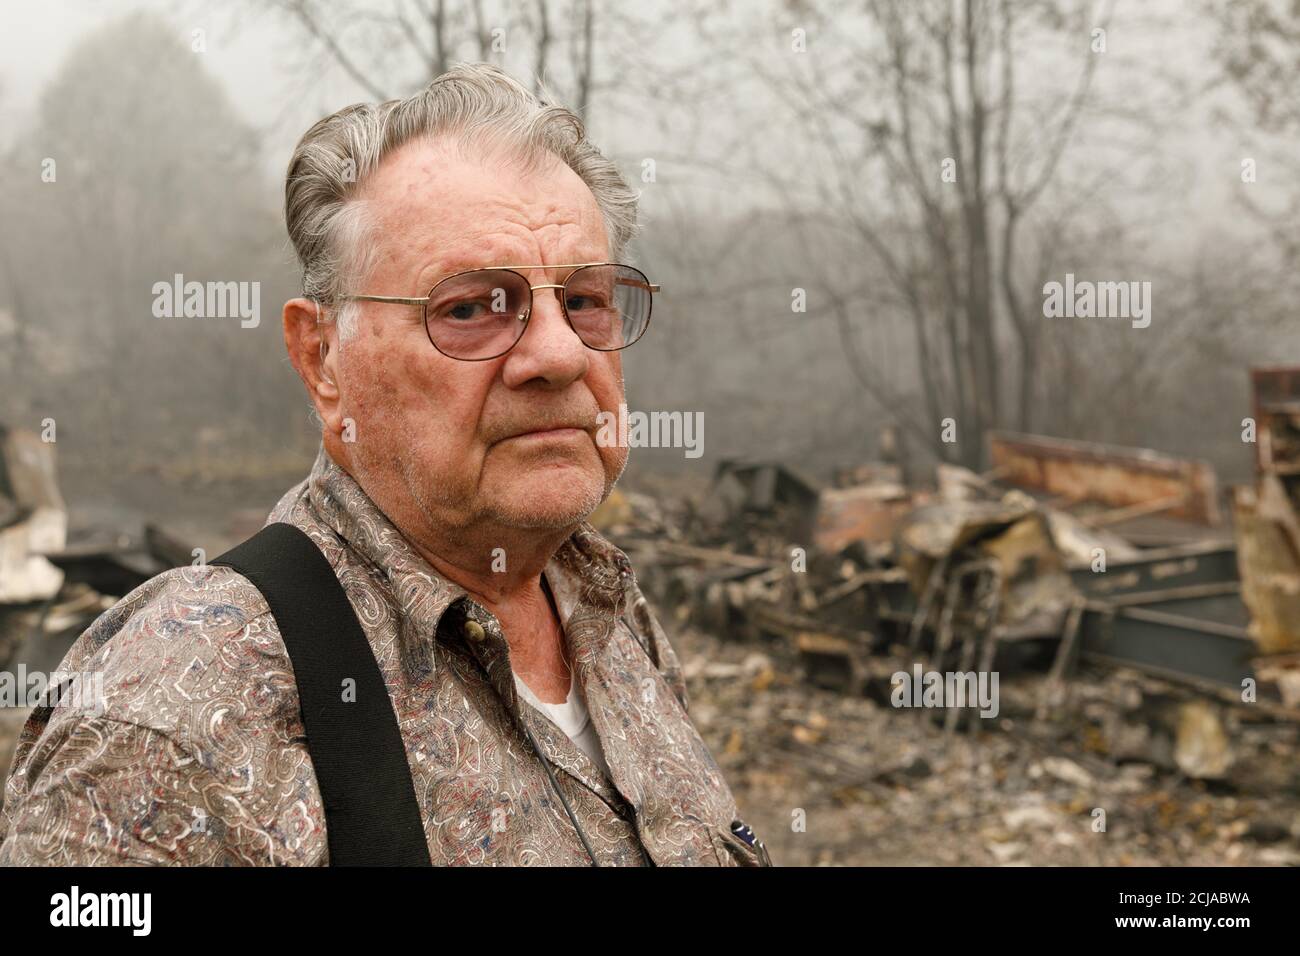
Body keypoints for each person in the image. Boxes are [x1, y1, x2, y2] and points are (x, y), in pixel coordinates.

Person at [0, 63, 768, 867]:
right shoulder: (179, 710)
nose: (558, 354)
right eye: (471, 308)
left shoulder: (609, 614)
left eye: (584, 300)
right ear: (323, 358)